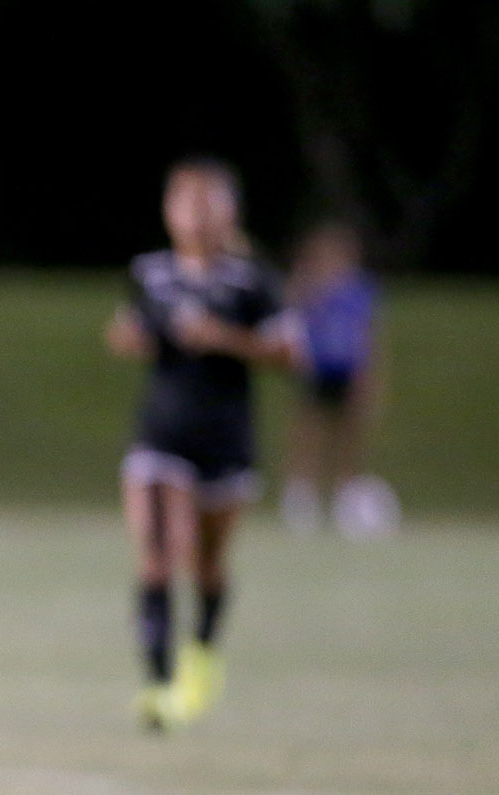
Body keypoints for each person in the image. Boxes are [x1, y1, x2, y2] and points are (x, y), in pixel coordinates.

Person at [103, 157, 300, 731]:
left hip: (225, 436)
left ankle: (203, 654)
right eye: (184, 204)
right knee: (157, 553)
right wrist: (131, 338)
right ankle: (158, 686)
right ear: (168, 211)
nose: (194, 217)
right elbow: (125, 330)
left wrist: (224, 339)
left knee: (207, 565)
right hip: (161, 433)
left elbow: (290, 352)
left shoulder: (251, 279)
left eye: (207, 205)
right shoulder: (150, 273)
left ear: (228, 213)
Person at [280, 221, 396, 539]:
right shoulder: (312, 285)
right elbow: (290, 312)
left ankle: (346, 499)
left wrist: (370, 376)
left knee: (349, 437)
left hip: (349, 370)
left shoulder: (360, 289)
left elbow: (369, 335)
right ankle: (302, 497)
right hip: (318, 370)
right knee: (309, 432)